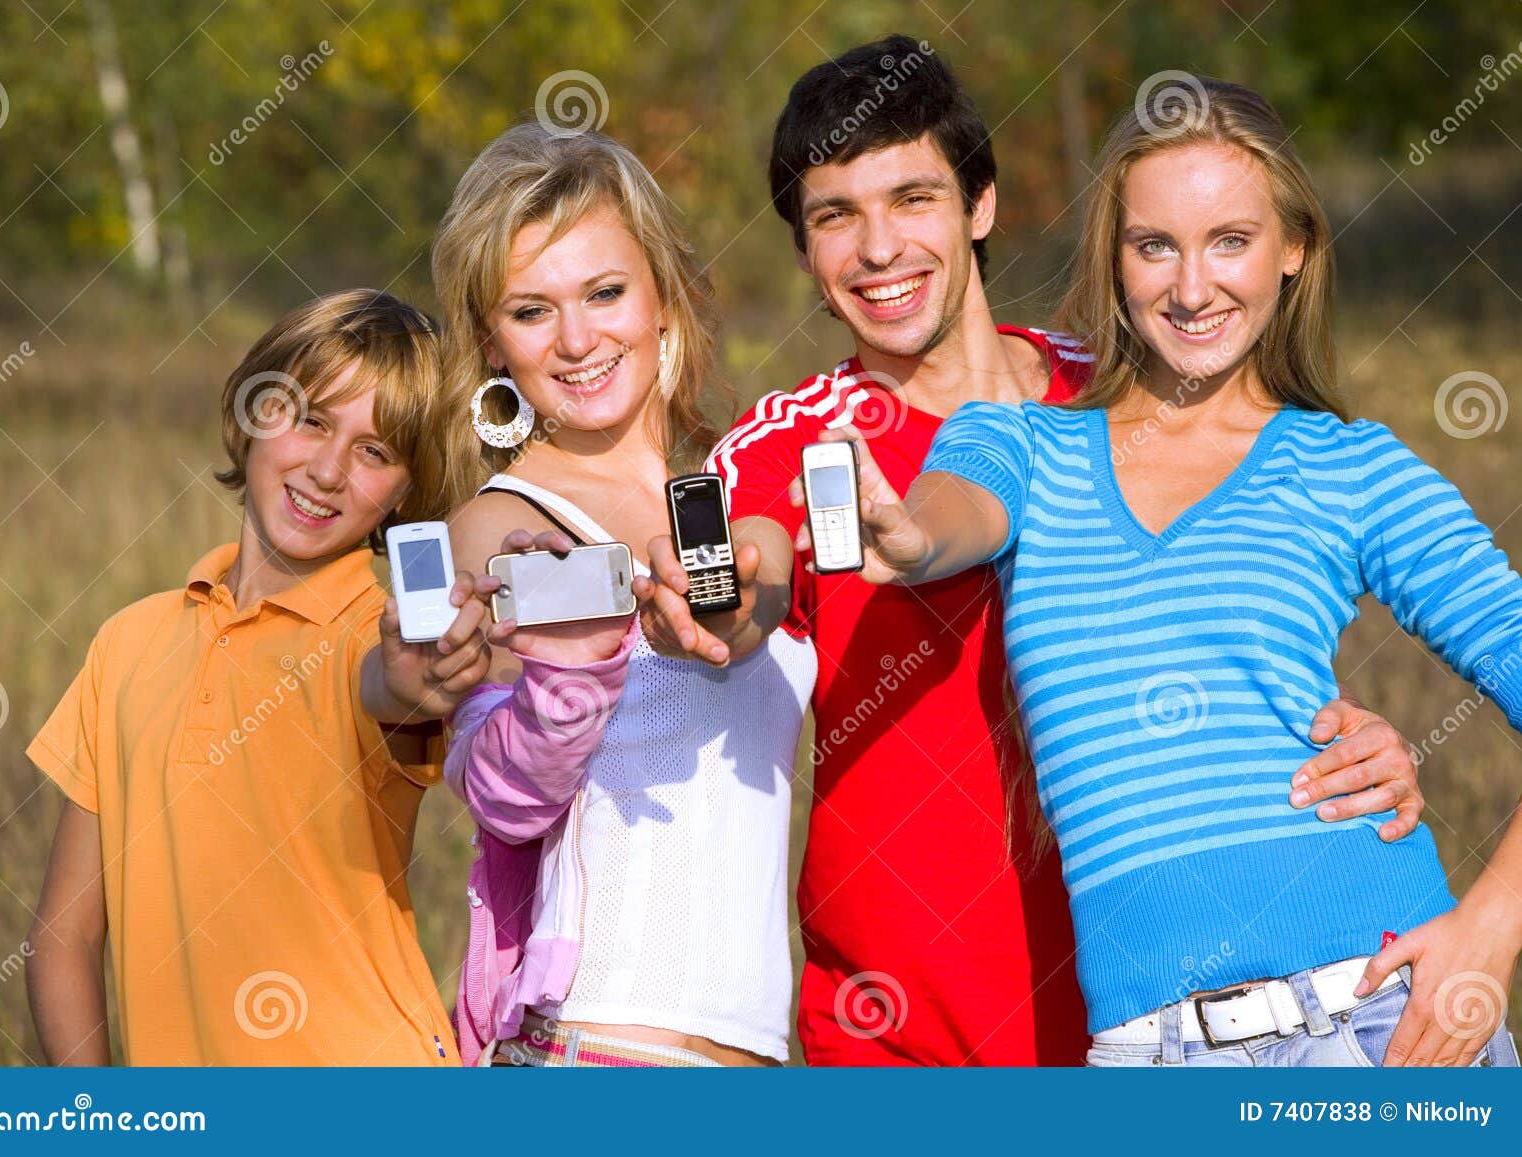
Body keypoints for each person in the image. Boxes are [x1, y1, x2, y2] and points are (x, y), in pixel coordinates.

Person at [640, 35, 1429, 1065]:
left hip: (1157, 1009)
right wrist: (720, 607)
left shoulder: (1128, 395)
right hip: (899, 1027)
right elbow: (751, 570)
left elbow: (1256, 614)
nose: (877, 248)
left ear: (980, 205)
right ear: (802, 249)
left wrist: (1354, 740)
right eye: (835, 216)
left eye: (911, 199)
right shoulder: (792, 440)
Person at [827, 77, 1522, 1067]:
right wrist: (902, 537)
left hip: (1381, 1018)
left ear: (1294, 248)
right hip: (1148, 1057)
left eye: (1229, 241)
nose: (1191, 288)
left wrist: (1491, 928)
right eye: (1154, 245)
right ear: (1113, 260)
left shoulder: (1352, 467)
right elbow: (947, 516)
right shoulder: (1020, 446)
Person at [428, 123, 816, 1067]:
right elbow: (504, 797)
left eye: (605, 292)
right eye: (531, 310)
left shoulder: (727, 497)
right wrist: (577, 663)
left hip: (750, 1056)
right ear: (490, 339)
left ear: (663, 299)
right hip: (591, 1049)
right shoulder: (501, 524)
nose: (577, 339)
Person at [25, 290, 491, 1064]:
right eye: (311, 418)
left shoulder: (379, 645)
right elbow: (62, 937)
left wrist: (414, 682)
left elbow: (394, 689)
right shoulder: (125, 643)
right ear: (254, 409)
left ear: (405, 494)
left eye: (376, 452)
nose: (329, 470)